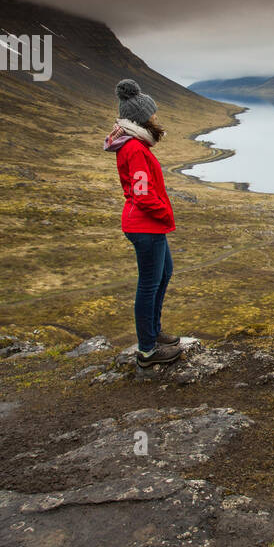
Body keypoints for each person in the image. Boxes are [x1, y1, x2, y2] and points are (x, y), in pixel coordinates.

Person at [104, 79, 182, 367]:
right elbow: (142, 193)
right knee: (149, 284)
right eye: (151, 114)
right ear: (140, 118)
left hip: (149, 225)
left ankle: (154, 332)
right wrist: (164, 213)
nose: (154, 118)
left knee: (163, 275)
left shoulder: (135, 145)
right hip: (145, 226)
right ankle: (147, 351)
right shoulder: (134, 149)